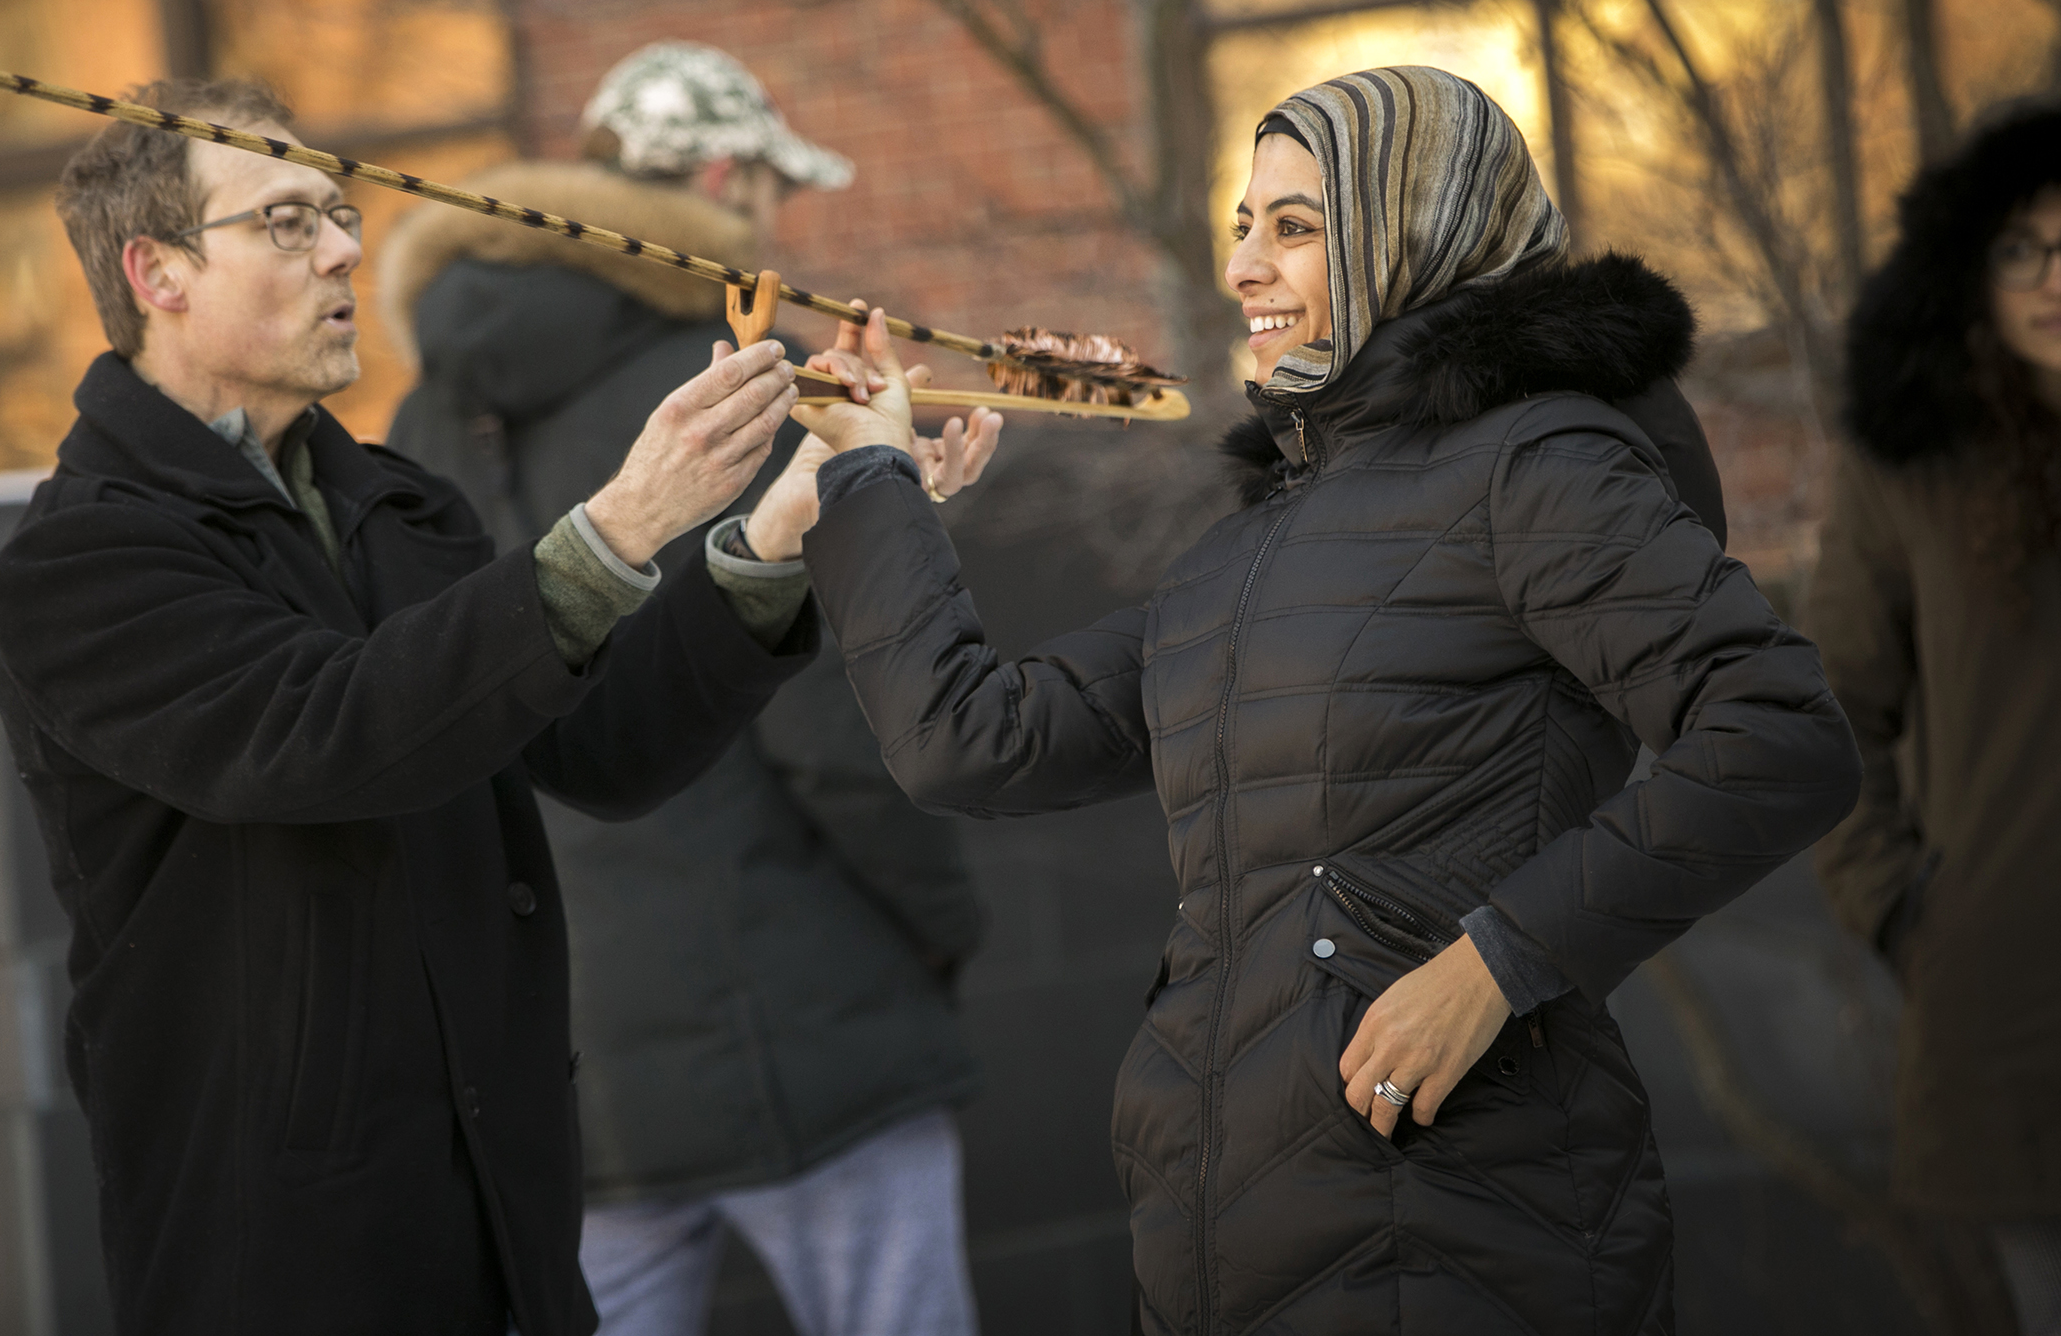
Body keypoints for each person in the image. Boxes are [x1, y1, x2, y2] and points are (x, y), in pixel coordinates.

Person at [789, 66, 1859, 1333]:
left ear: (1422, 233)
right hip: (1218, 1235)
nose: (1245, 264)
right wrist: (870, 483)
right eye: (1242, 225)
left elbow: (1777, 732)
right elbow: (971, 742)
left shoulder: (1537, 469)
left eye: (1295, 226)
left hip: (1459, 1226)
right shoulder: (1252, 552)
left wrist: (1497, 961)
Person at [0, 75, 832, 1336]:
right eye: (282, 221)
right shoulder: (81, 562)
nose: (341, 247)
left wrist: (786, 517)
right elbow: (328, 732)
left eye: (336, 211)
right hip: (280, 1255)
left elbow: (595, 746)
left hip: (506, 1219)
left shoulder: (398, 500)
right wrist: (619, 523)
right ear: (156, 272)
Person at [380, 41, 998, 1336]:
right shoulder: (735, 387)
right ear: (723, 176)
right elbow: (842, 726)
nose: (775, 224)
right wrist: (938, 918)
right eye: (772, 189)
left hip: (567, 1062)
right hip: (805, 1019)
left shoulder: (422, 422)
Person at [1809, 100, 2061, 1336]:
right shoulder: (1908, 464)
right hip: (2014, 998)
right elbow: (1826, 718)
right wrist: (1909, 910)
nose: (2052, 279)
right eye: (2021, 248)